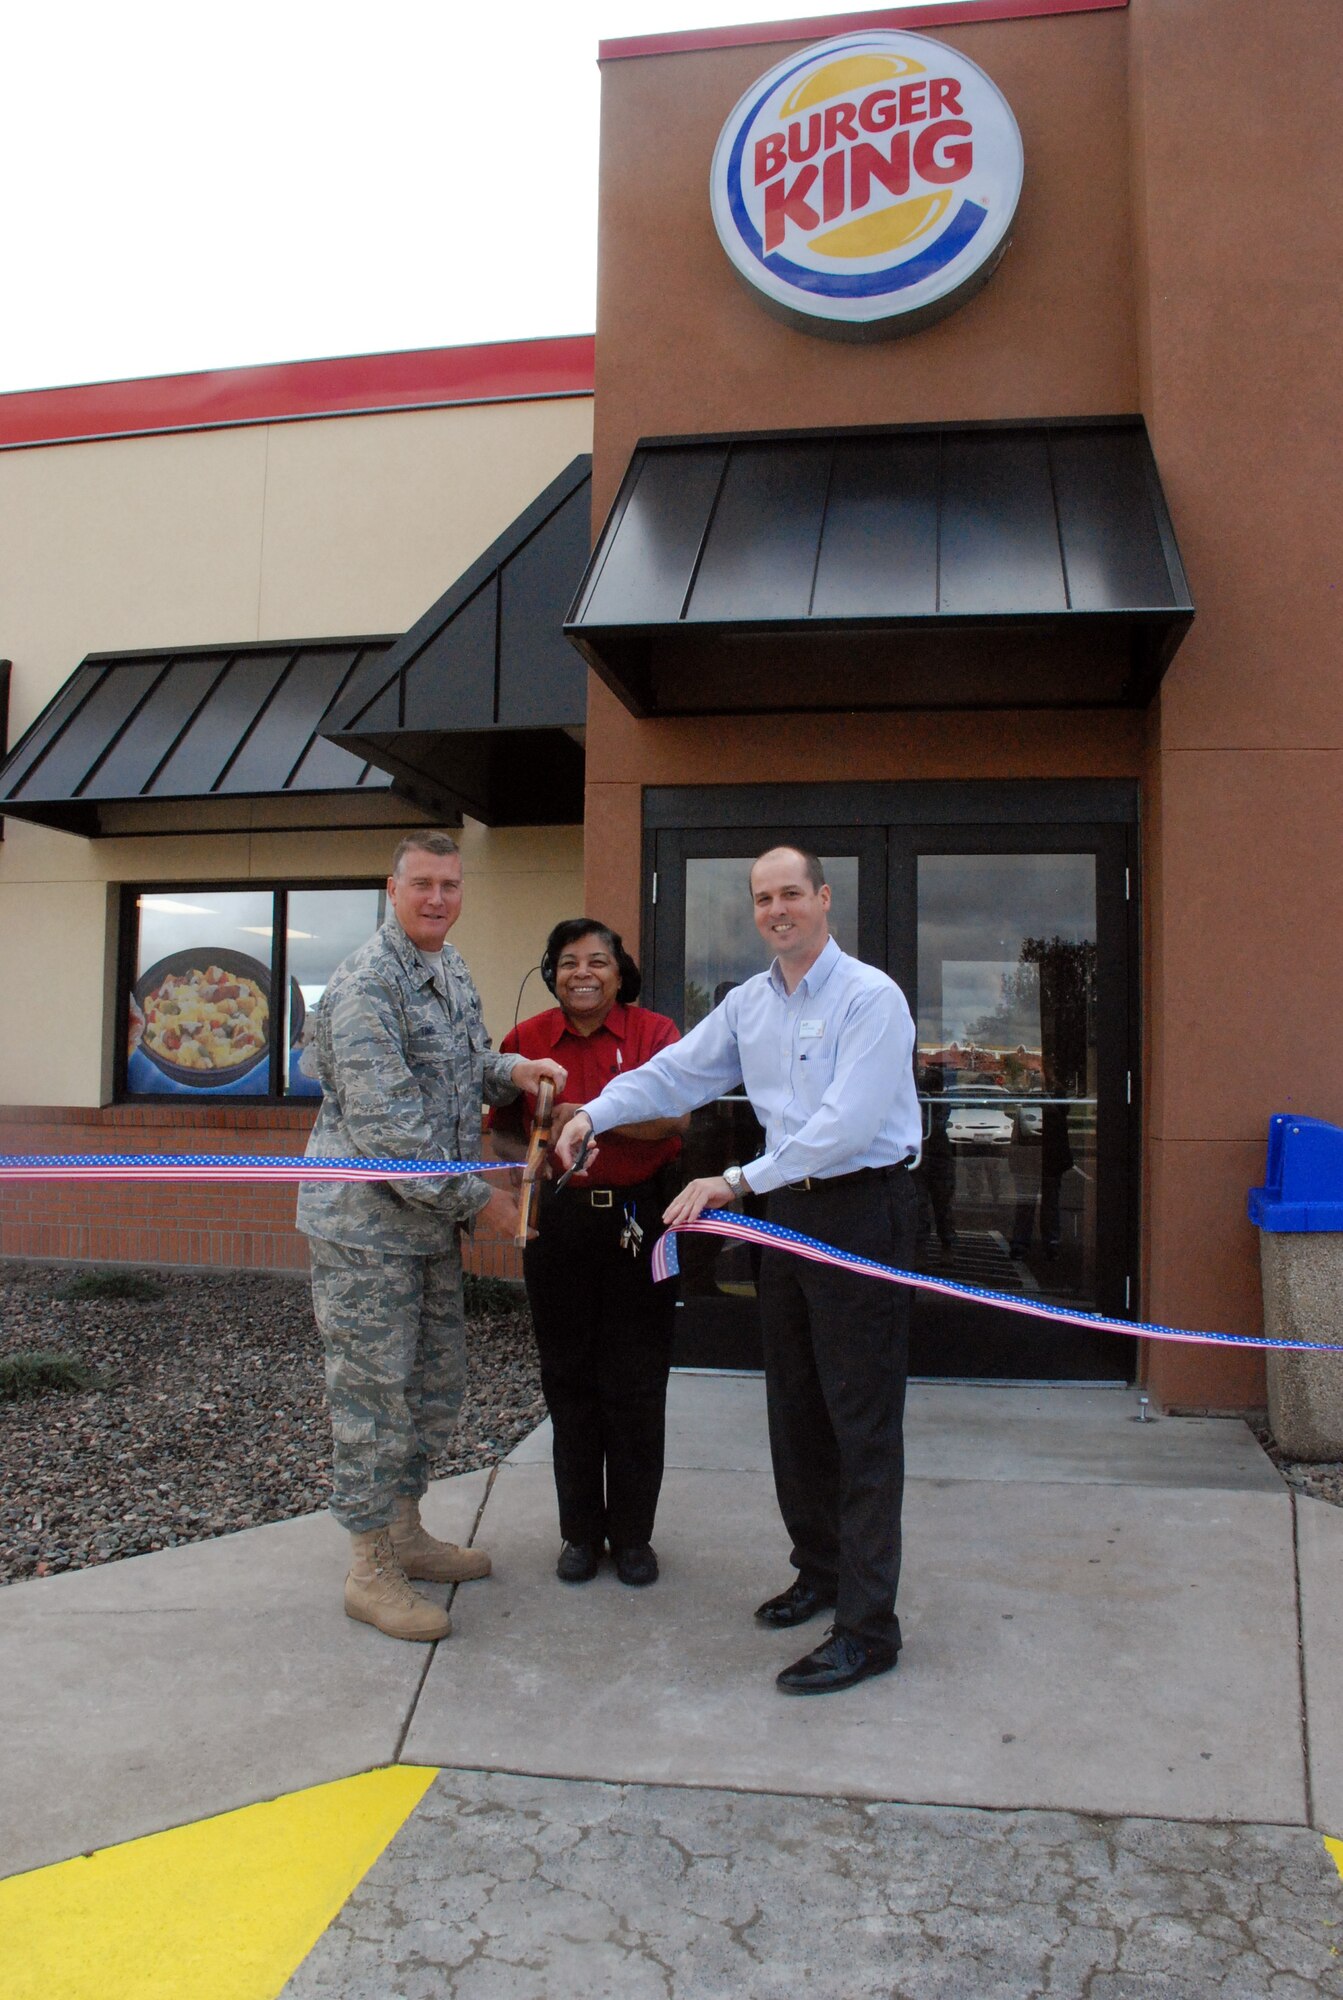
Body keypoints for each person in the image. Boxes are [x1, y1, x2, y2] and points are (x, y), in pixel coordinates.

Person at [554, 847, 922, 1696]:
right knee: (795, 1404)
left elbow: (845, 1123)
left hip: (859, 1208)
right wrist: (593, 1115)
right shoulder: (749, 1005)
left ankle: (869, 1629)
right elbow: (679, 1070)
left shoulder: (871, 998)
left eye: (791, 893)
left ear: (824, 899)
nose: (777, 910)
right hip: (788, 1211)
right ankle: (820, 1573)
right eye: (763, 899)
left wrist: (735, 1179)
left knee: (859, 1421)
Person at [297, 832, 566, 1643]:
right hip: (368, 1232)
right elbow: (389, 1131)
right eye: (422, 884)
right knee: (372, 1396)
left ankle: (405, 1530)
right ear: (392, 888)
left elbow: (462, 1062)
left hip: (425, 1228)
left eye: (450, 884)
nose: (438, 898)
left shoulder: (445, 967)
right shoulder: (365, 986)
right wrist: (479, 1201)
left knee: (430, 1384)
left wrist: (511, 1069)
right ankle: (368, 1566)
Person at [490, 919, 687, 1587]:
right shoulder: (524, 1042)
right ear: (551, 972)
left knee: (635, 1381)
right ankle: (578, 1534)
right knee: (568, 1379)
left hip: (639, 1218)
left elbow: (674, 1117)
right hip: (561, 1222)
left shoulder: (653, 1033)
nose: (583, 972)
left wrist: (588, 1115)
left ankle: (632, 1537)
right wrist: (538, 1158)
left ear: (618, 971)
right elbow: (505, 1137)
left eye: (597, 961)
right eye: (568, 961)